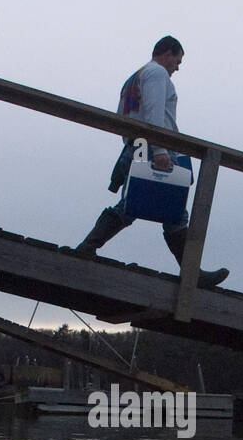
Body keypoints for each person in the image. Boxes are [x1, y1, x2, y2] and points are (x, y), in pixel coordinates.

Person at [75, 36, 229, 288]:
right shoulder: (158, 75)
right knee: (169, 210)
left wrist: (134, 145)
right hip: (155, 148)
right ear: (167, 53)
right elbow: (155, 112)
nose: (178, 67)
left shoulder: (134, 77)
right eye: (178, 60)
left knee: (140, 206)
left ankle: (88, 246)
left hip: (136, 145)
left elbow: (122, 116)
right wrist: (159, 149)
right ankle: (194, 274)